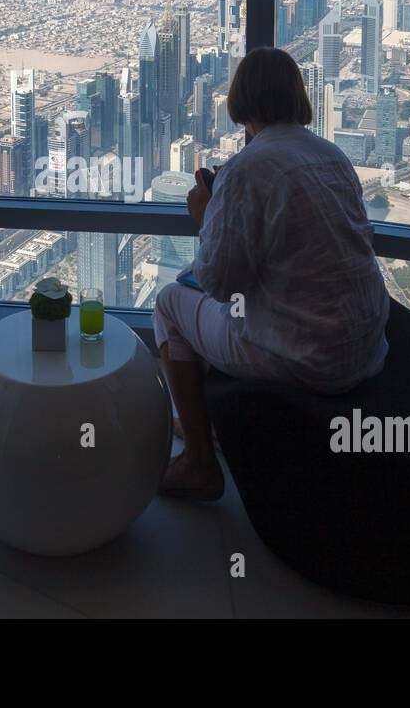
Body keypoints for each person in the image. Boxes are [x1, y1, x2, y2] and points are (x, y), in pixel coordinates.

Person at [154, 46, 389, 500]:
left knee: (169, 303)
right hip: (366, 346)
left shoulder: (247, 168)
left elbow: (221, 284)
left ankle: (199, 460)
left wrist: (207, 216)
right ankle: (217, 424)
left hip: (304, 356)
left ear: (242, 102)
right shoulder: (333, 156)